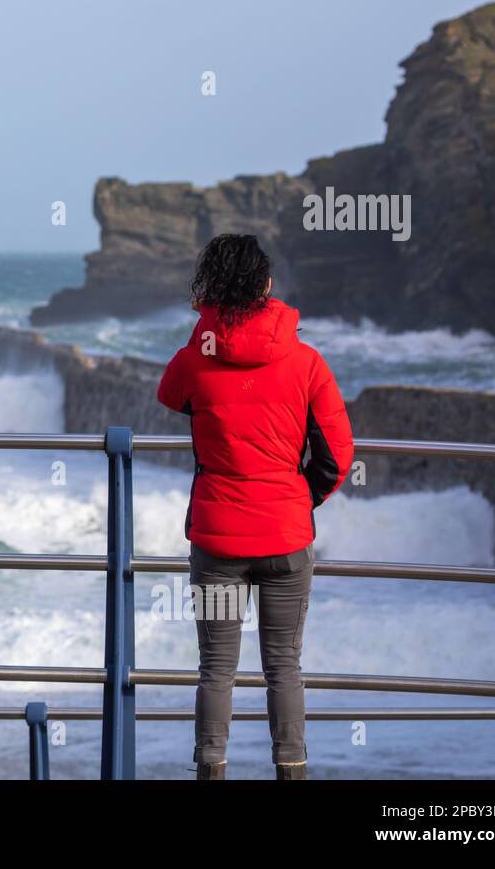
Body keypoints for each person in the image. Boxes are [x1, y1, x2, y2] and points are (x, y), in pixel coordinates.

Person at [157, 234, 353, 780]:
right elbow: (337, 453)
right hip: (287, 538)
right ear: (267, 286)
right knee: (284, 668)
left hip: (218, 543)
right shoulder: (308, 361)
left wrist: (205, 330)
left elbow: (169, 395)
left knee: (216, 671)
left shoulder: (197, 359)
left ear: (210, 289)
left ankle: (210, 770)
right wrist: (297, 498)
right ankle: (291, 771)